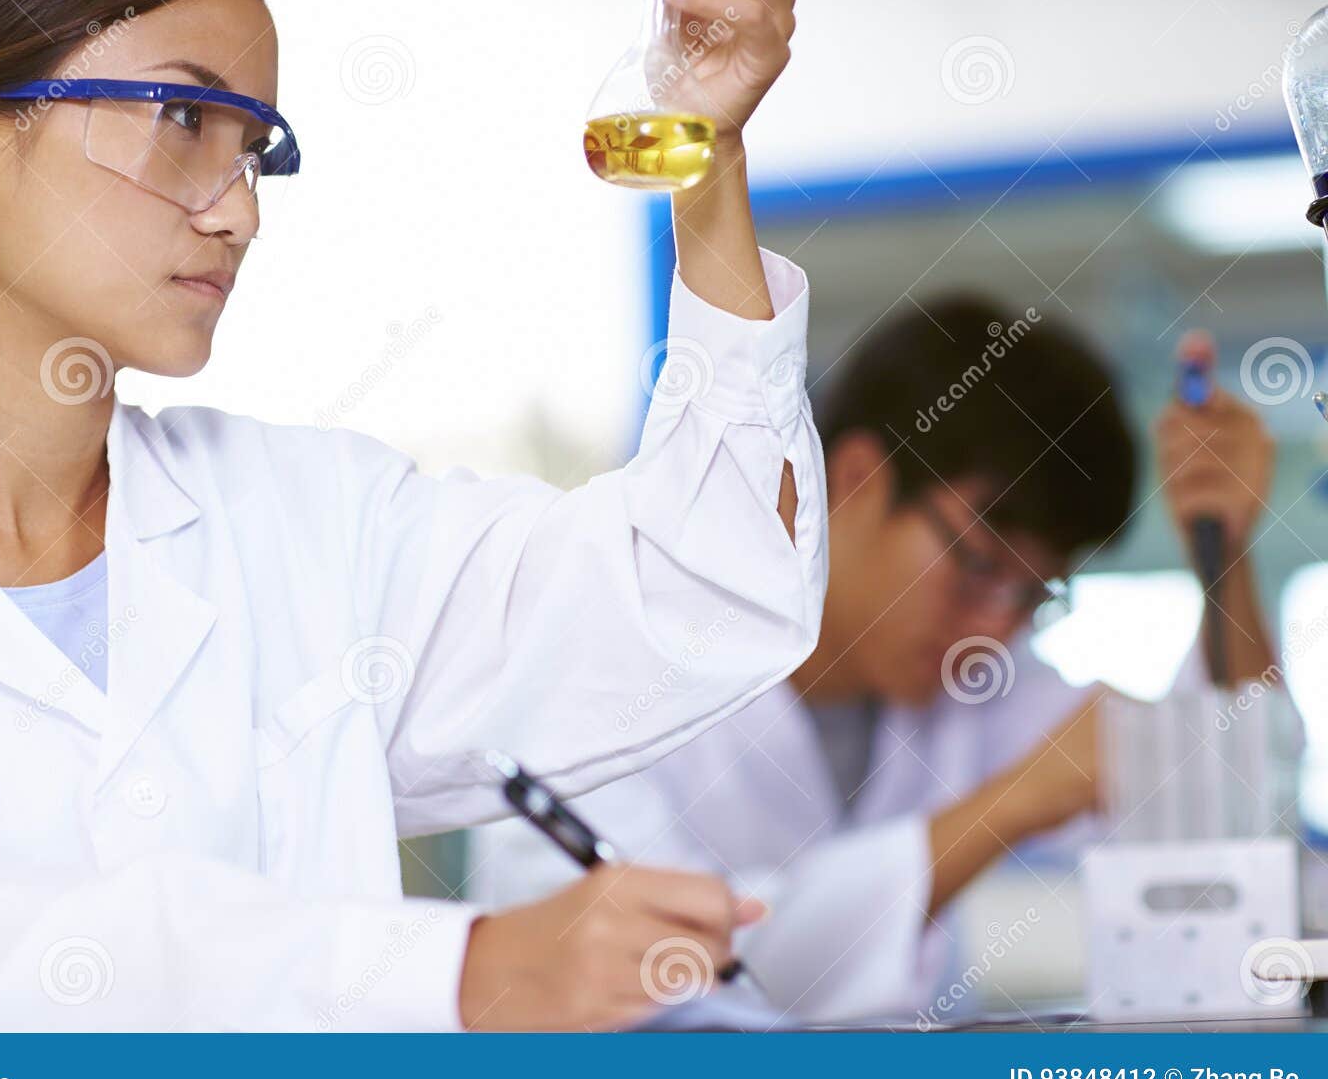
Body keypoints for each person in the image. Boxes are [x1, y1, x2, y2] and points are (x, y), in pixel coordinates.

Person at [0, 0, 821, 1031]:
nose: (239, 212)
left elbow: (699, 581)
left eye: (253, 148)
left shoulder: (303, 522)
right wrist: (462, 968)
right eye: (181, 117)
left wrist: (703, 149)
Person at [474, 296, 1296, 1023]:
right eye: (978, 563)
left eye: (1033, 593)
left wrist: (1221, 551)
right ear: (860, 479)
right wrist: (1008, 803)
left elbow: (1226, 789)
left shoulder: (972, 682)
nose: (994, 625)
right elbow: (678, 968)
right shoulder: (621, 666)